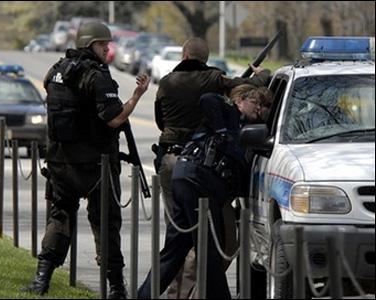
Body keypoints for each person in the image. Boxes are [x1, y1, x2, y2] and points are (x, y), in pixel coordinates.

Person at [21, 21, 150, 298]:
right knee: (106, 224)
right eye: (104, 44)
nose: (108, 48)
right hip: (97, 165)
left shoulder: (56, 71)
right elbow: (115, 118)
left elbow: (48, 90)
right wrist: (137, 96)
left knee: (59, 218)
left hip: (61, 162)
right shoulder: (97, 76)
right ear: (90, 44)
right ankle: (116, 287)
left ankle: (41, 279)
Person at [153, 37, 271, 298]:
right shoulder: (213, 79)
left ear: (184, 55)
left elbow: (161, 122)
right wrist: (264, 75)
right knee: (213, 241)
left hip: (172, 163)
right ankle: (183, 294)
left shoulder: (166, 82)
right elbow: (246, 87)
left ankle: (168, 293)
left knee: (179, 238)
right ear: (205, 59)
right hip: (204, 169)